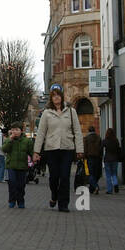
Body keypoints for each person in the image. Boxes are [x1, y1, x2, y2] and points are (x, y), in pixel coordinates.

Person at [35, 85, 82, 213]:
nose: (56, 97)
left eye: (58, 95)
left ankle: (63, 204)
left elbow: (77, 131)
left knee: (65, 177)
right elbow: (41, 133)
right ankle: (54, 195)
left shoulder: (71, 112)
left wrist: (79, 150)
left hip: (67, 148)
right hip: (51, 149)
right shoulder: (47, 113)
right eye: (53, 95)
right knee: (54, 177)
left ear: (61, 97)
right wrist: (36, 152)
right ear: (51, 98)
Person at [2, 122, 34, 208]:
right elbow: (4, 149)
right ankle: (12, 200)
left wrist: (35, 158)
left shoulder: (27, 141)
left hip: (22, 166)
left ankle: (20, 200)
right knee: (12, 183)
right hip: (11, 166)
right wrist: (10, 139)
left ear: (21, 131)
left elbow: (31, 152)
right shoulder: (9, 140)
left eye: (17, 130)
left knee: (21, 185)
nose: (15, 132)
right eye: (13, 130)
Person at [101, 128, 123, 195]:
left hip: (107, 159)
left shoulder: (105, 141)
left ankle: (109, 190)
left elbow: (101, 148)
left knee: (108, 175)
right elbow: (118, 149)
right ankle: (115, 183)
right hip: (115, 159)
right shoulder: (116, 141)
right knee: (114, 173)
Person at [83, 126, 103, 196]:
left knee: (91, 173)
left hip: (90, 157)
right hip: (97, 158)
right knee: (96, 173)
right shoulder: (98, 138)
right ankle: (92, 188)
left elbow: (85, 148)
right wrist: (100, 156)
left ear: (89, 131)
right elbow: (101, 148)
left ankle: (95, 186)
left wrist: (84, 156)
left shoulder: (86, 138)